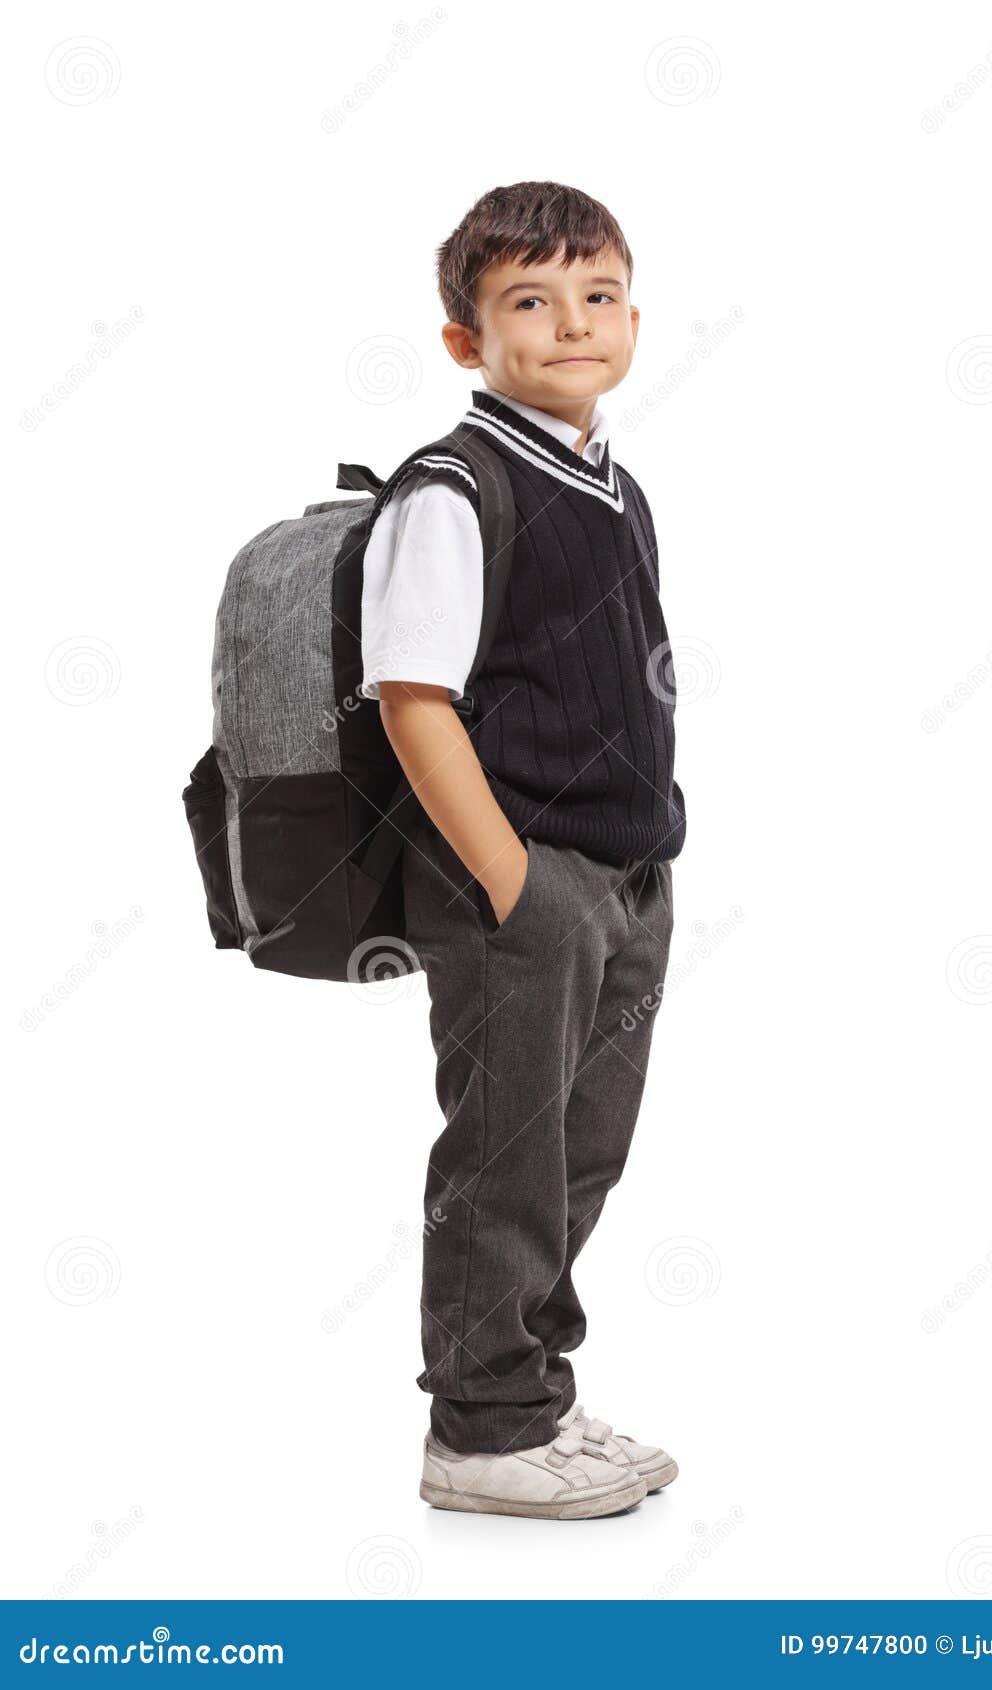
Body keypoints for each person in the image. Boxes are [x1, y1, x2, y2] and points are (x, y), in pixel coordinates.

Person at [359, 181, 686, 1520]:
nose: (571, 323)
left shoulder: (615, 486)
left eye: (597, 295)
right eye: (529, 302)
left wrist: (637, 865)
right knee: (508, 1152)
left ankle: (530, 1394)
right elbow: (413, 694)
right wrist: (513, 880)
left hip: (624, 874)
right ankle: (480, 1430)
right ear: (465, 340)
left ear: (633, 316)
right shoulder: (455, 485)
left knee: (579, 1149)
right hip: (524, 883)